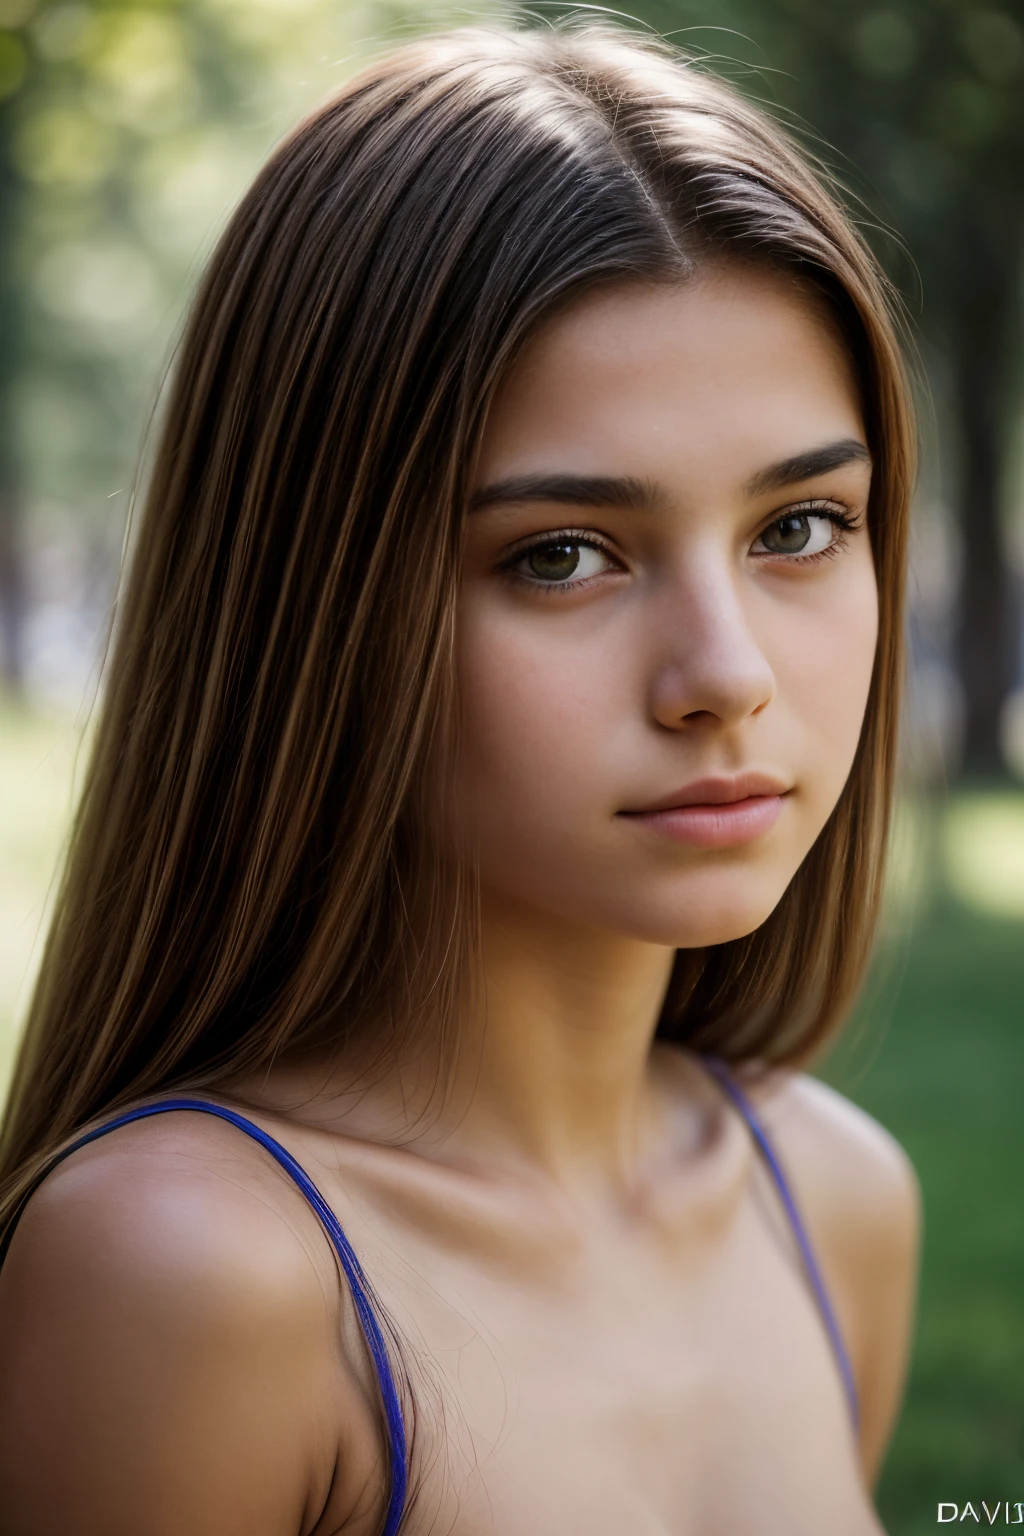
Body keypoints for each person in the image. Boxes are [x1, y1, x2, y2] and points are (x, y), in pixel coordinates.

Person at [0, 21, 921, 1535]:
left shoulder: (831, 1199)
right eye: (561, 556)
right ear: (314, 603)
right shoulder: (191, 1277)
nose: (727, 672)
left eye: (800, 527)